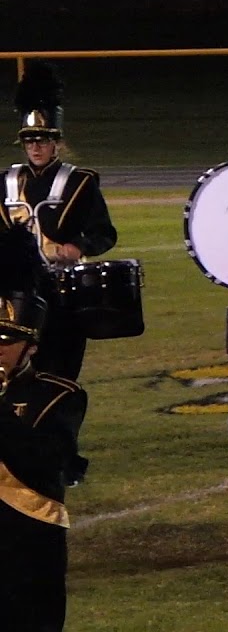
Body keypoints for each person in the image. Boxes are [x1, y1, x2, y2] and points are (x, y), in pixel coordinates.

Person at [1, 60, 118, 382]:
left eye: (42, 140)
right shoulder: (6, 182)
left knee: (60, 368)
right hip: (17, 297)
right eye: (30, 141)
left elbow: (104, 232)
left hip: (63, 292)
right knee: (16, 371)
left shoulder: (80, 182)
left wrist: (77, 246)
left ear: (56, 142)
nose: (35, 147)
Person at [0, 224, 89, 632]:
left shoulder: (58, 395)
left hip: (28, 550)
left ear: (31, 346)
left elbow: (48, 459)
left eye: (7, 340)